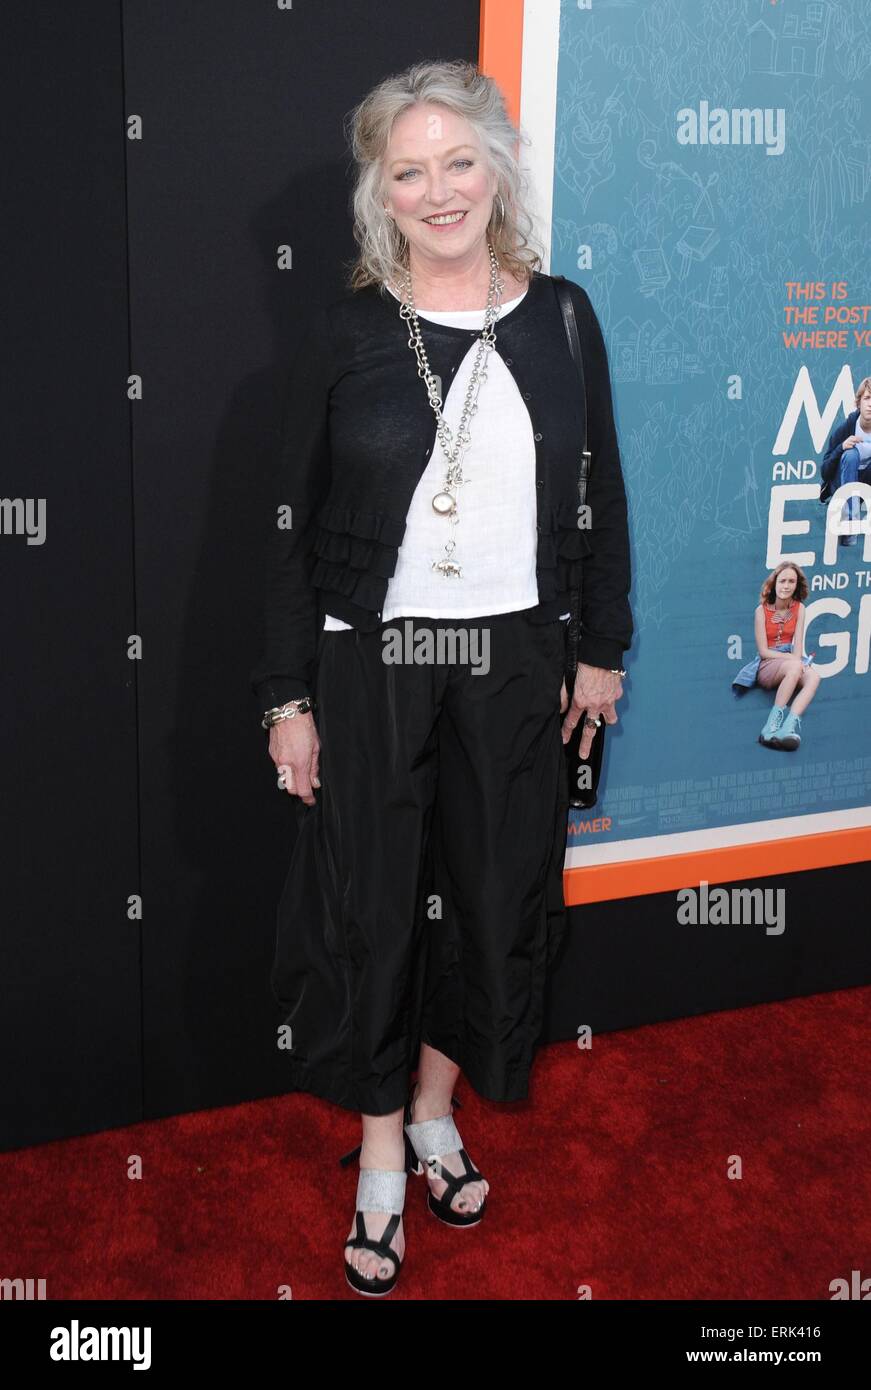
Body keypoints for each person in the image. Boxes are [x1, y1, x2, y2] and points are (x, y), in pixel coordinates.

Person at [250, 59, 633, 1296]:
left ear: (497, 166)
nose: (439, 188)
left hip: (518, 654)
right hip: (380, 657)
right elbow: (294, 533)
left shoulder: (566, 316)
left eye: (458, 160)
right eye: (408, 170)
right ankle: (375, 1163)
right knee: (370, 907)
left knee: (492, 895)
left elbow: (602, 499)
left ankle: (430, 1109)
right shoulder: (350, 331)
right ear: (381, 193)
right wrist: (286, 694)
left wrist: (601, 648)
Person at [753, 562, 819, 749]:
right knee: (796, 665)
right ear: (774, 583)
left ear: (797, 585)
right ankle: (769, 728)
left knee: (813, 676)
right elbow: (764, 652)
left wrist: (798, 661)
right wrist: (795, 660)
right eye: (782, 580)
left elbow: (798, 649)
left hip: (791, 662)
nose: (786, 585)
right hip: (768, 665)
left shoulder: (800, 609)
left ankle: (787, 727)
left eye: (792, 581)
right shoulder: (761, 611)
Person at [819, 376, 871, 546]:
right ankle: (850, 526)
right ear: (859, 403)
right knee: (851, 455)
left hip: (865, 487)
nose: (870, 404)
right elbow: (825, 471)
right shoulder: (847, 427)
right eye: (867, 398)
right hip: (840, 484)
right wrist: (841, 447)